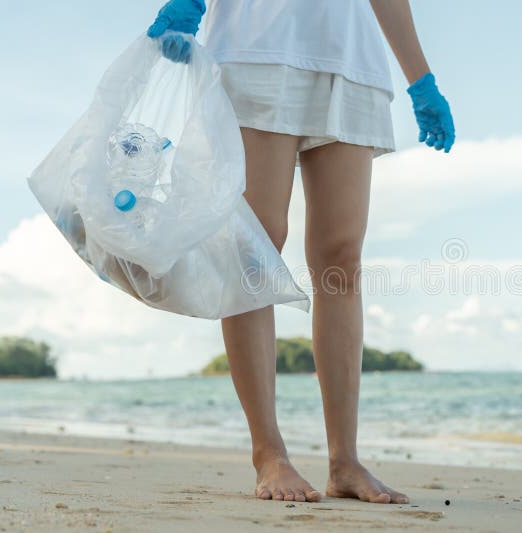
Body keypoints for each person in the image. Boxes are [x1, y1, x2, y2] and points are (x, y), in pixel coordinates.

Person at [147, 0, 455, 504]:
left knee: (342, 260)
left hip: (349, 56)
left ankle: (345, 462)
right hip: (258, 46)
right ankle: (269, 454)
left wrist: (421, 79)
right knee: (256, 251)